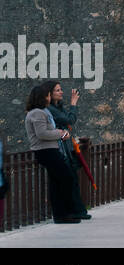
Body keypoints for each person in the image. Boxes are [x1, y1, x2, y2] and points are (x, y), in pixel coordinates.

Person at [24, 85, 82, 224]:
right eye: (48, 95)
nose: (50, 97)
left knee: (57, 182)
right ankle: (64, 213)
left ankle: (61, 214)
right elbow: (42, 133)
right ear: (43, 97)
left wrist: (60, 134)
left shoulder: (41, 112)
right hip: (46, 151)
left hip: (50, 149)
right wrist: (60, 133)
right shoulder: (37, 113)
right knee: (66, 178)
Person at [46, 82, 91, 220]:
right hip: (60, 147)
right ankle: (73, 211)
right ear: (50, 93)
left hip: (67, 146)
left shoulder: (58, 107)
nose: (61, 92)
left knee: (73, 179)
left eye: (60, 89)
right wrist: (73, 104)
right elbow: (69, 119)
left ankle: (78, 210)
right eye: (57, 90)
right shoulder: (50, 109)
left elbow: (69, 120)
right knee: (68, 179)